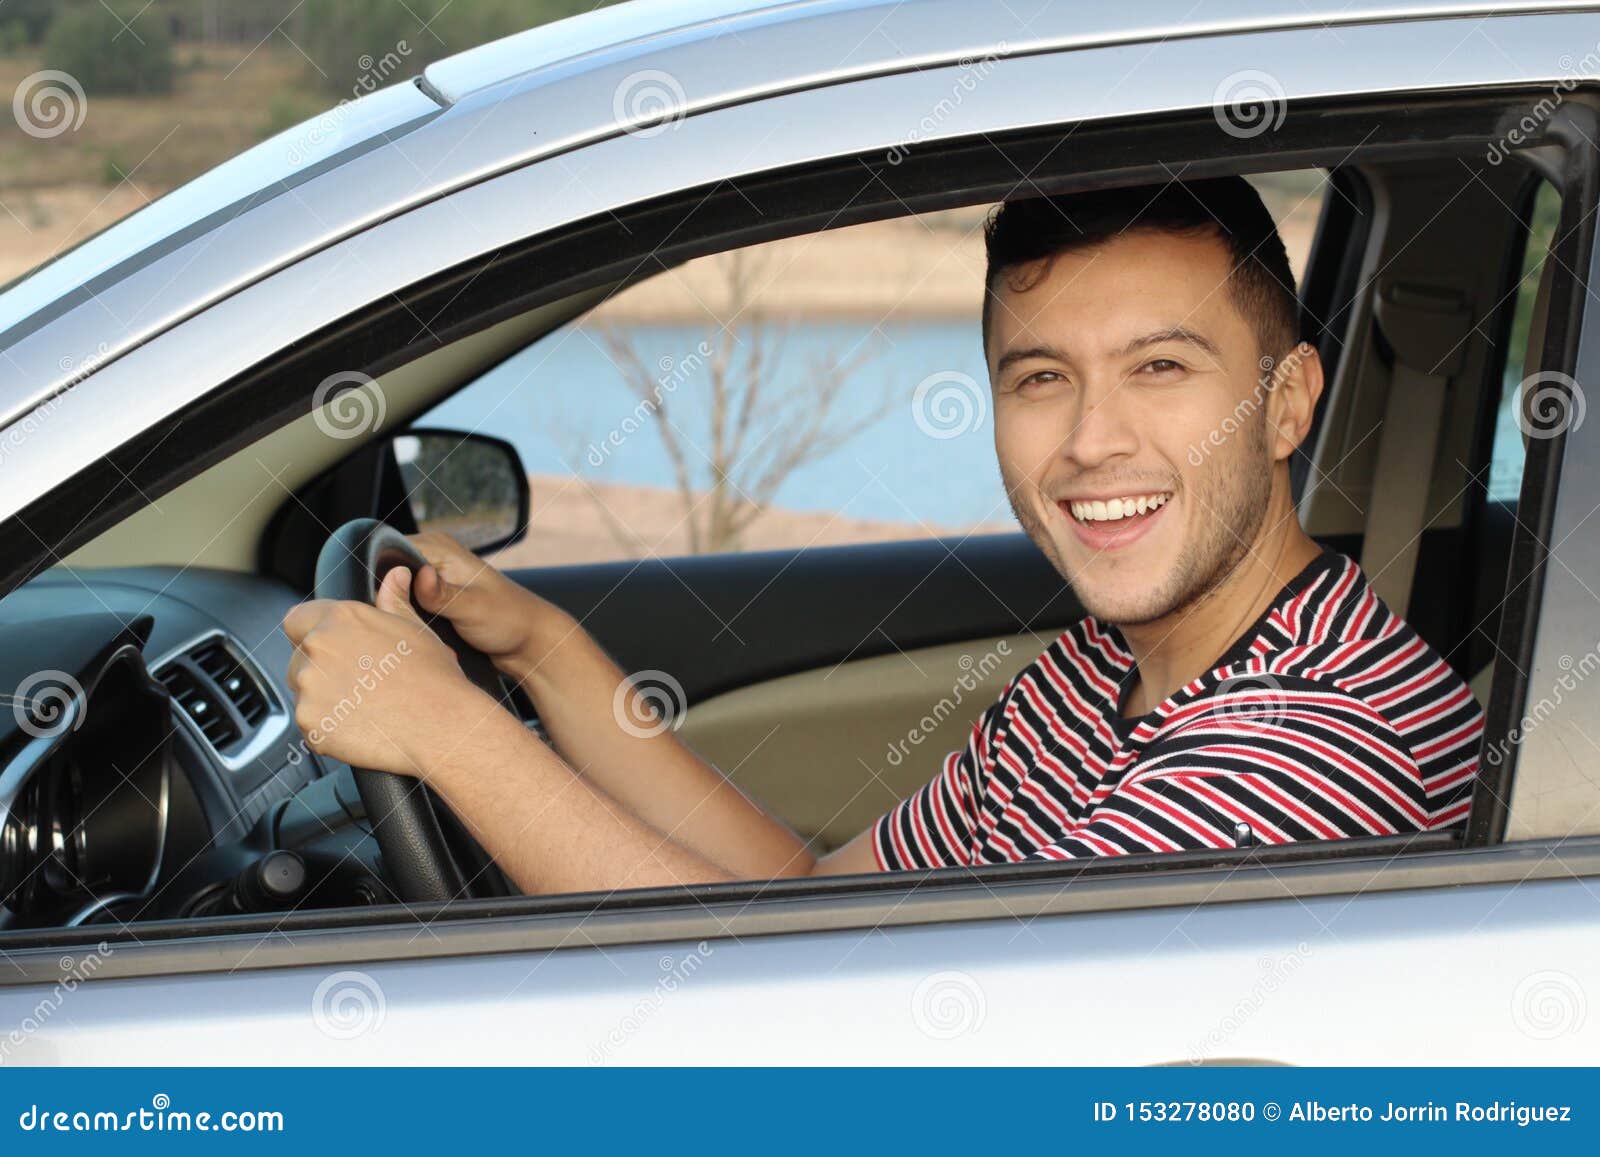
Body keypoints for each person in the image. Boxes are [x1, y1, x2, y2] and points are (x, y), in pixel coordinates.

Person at [283, 176, 1483, 894]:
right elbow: (811, 907)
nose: (1089, 440)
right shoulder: (1102, 669)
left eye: (1159, 367)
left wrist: (452, 739)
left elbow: (784, 1036)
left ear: (1283, 403)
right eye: (1039, 378)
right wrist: (547, 654)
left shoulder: (1302, 750)